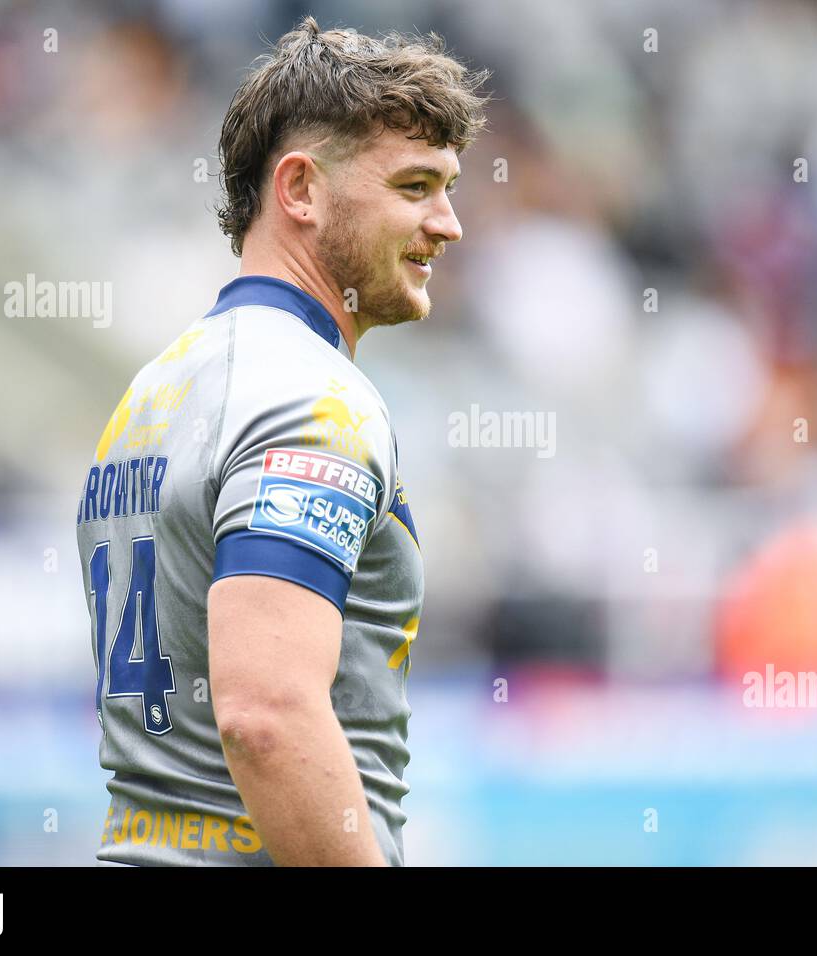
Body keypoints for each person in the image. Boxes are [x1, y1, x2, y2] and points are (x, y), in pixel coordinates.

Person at [74, 17, 488, 866]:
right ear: (299, 188)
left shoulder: (155, 390)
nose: (448, 224)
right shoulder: (315, 400)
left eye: (448, 188)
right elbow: (266, 715)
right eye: (416, 186)